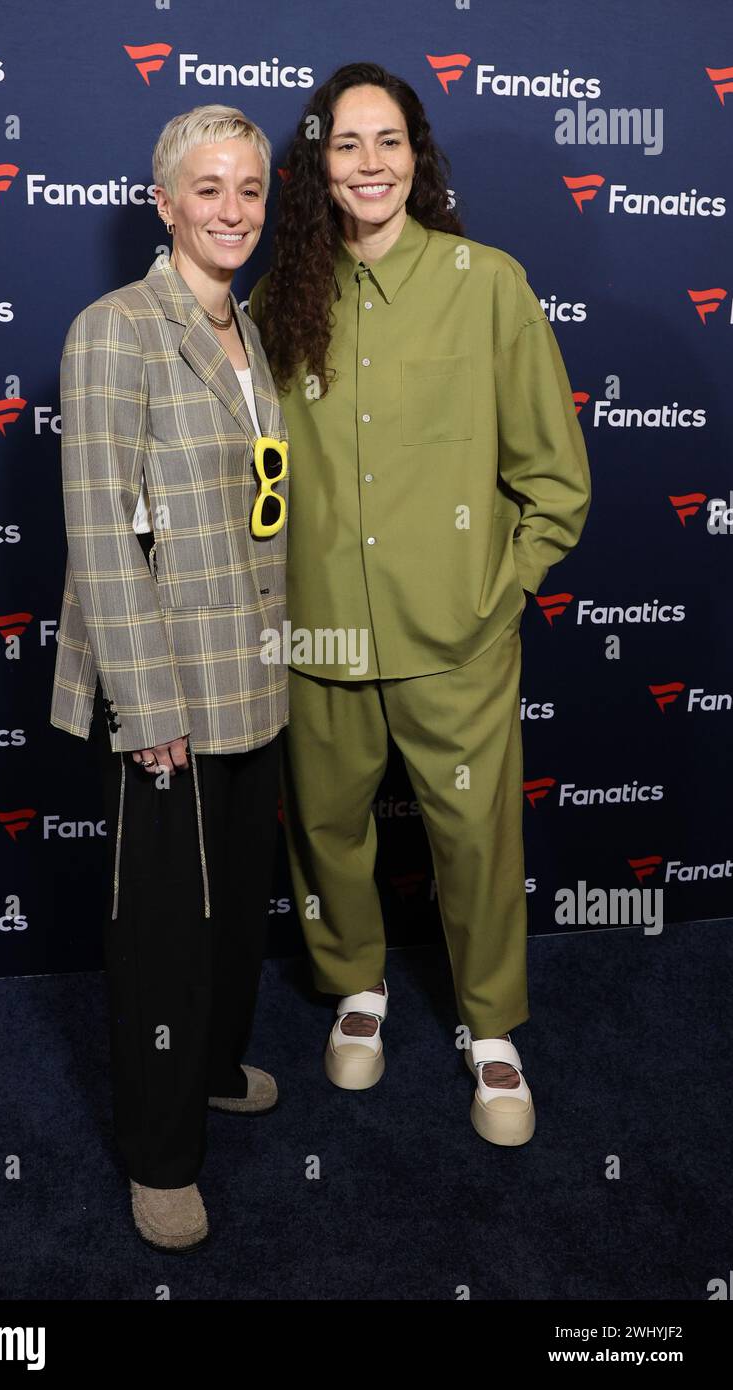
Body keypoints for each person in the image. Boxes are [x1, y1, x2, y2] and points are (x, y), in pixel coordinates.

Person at [248, 63, 591, 1146]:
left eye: (387, 140)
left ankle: (491, 1029)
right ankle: (357, 987)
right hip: (319, 638)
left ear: (417, 154)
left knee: (476, 843)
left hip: (456, 638)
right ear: (317, 165)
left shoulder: (485, 282)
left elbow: (554, 478)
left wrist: (501, 589)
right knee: (325, 831)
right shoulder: (276, 298)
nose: (369, 164)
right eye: (345, 144)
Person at [50, 105, 289, 1249]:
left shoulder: (251, 328)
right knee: (162, 934)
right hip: (169, 688)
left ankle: (208, 1067)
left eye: (249, 188)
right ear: (164, 203)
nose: (232, 209)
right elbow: (102, 533)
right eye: (208, 188)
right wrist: (145, 706)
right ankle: (158, 1152)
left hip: (254, 676)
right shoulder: (115, 330)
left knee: (232, 913)